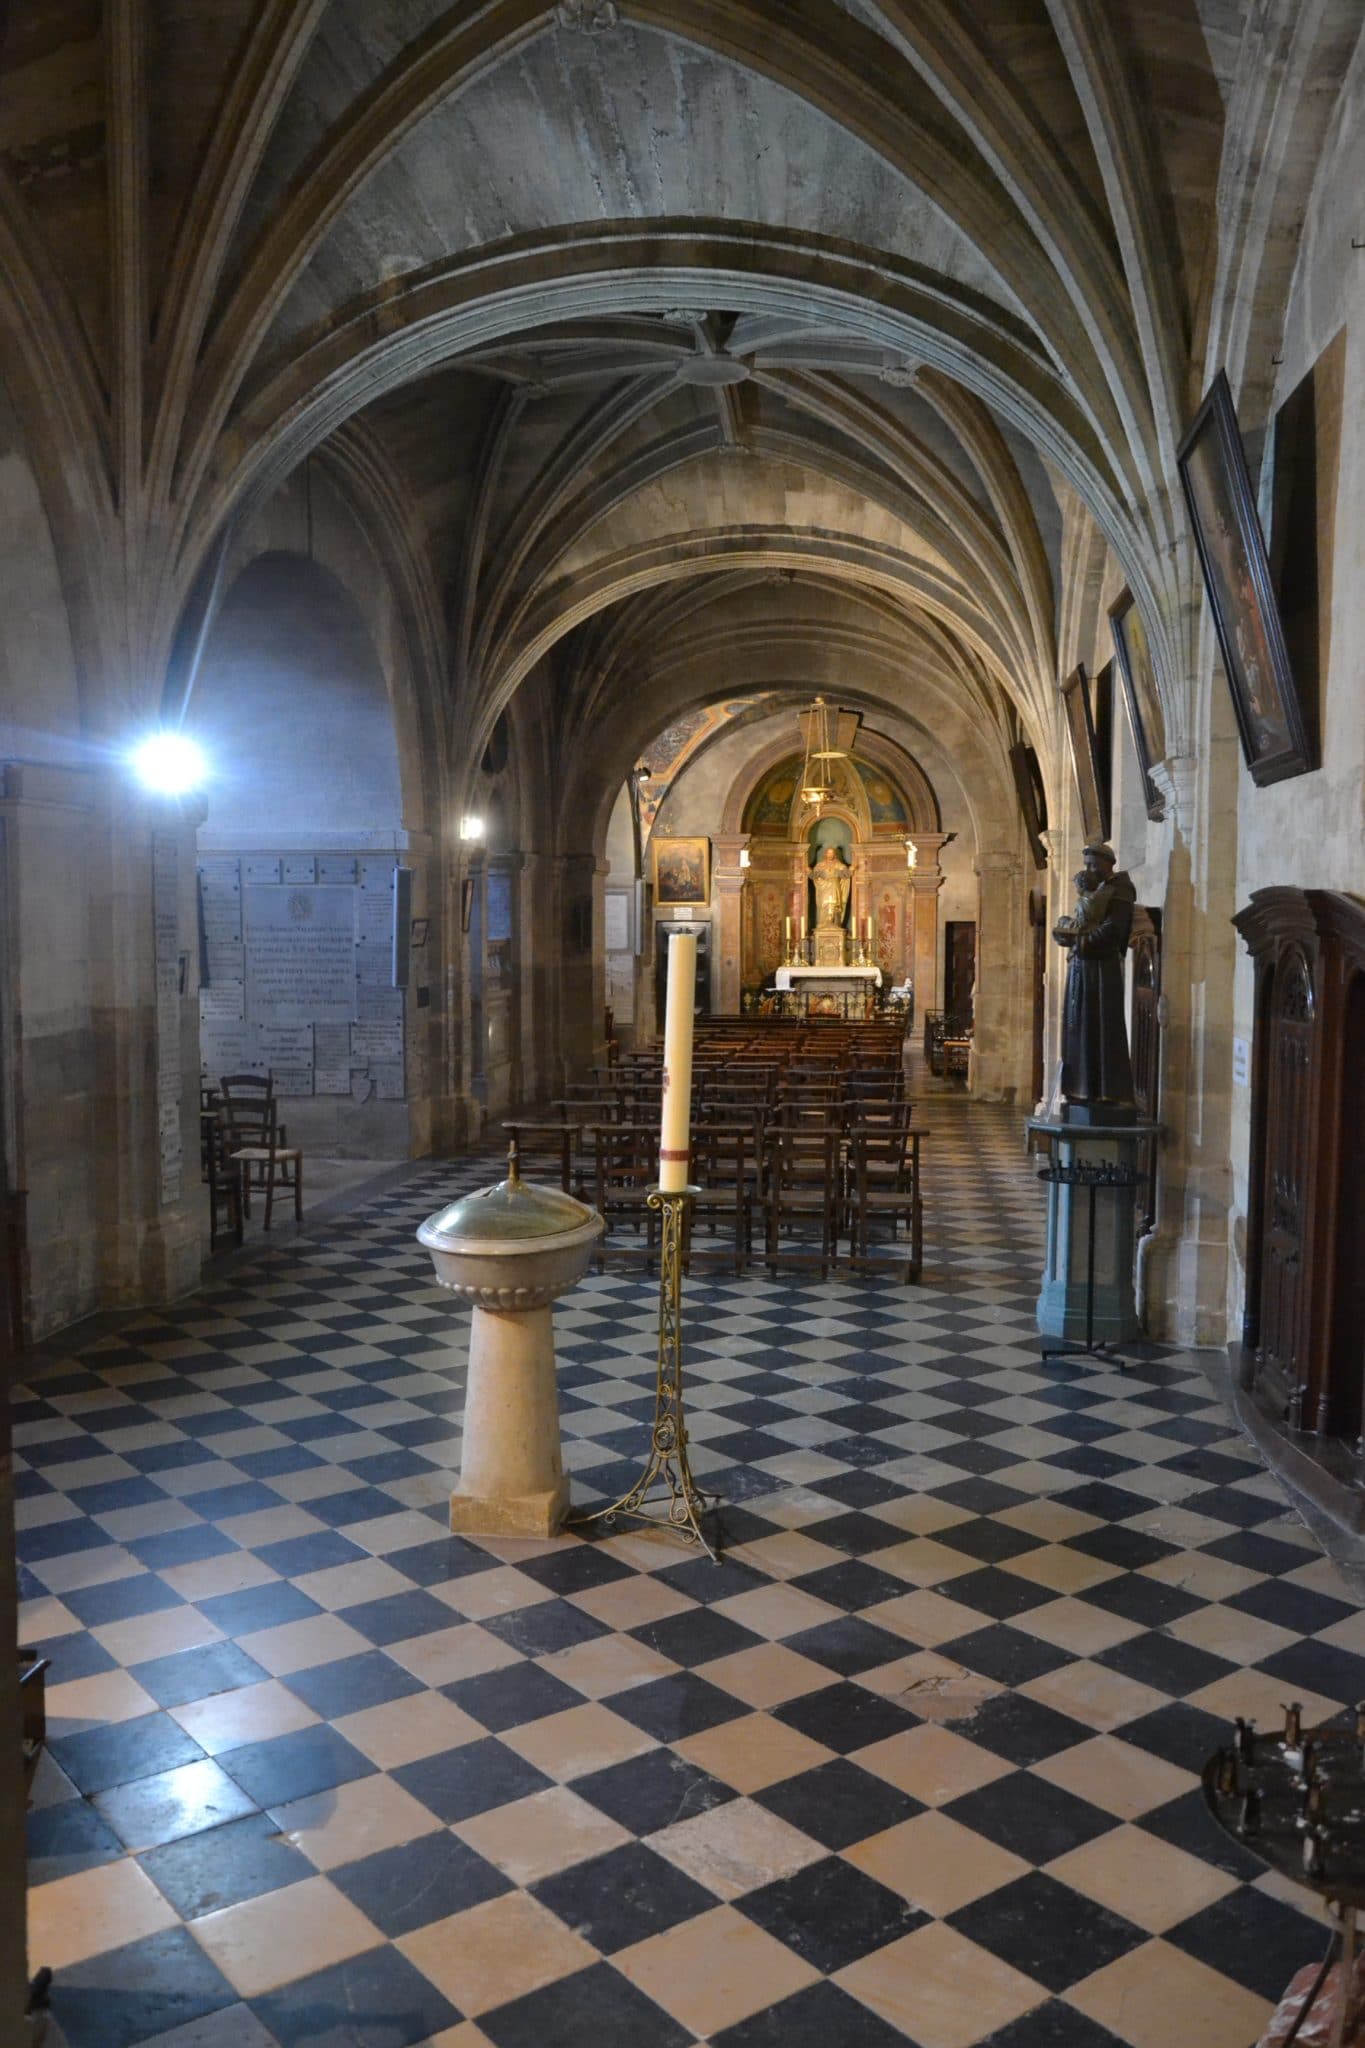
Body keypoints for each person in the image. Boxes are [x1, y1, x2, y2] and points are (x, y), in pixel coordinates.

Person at [1054, 840, 1135, 1112]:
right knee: (1077, 1027)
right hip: (1081, 968)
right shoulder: (1097, 891)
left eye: (1093, 864)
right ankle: (1080, 1088)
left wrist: (1077, 940)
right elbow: (1084, 922)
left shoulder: (1120, 889)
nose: (1089, 869)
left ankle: (1103, 1091)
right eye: (1086, 864)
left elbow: (1112, 933)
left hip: (1101, 972)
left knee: (1099, 1027)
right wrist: (1067, 932)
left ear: (1108, 863)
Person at [811, 844, 851, 928]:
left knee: (835, 904)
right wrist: (809, 872)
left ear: (835, 854)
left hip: (834, 886)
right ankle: (823, 924)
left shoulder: (839, 865)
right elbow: (814, 875)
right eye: (828, 853)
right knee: (824, 904)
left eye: (832, 853)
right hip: (824, 888)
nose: (830, 855)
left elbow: (846, 874)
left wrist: (850, 870)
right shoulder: (820, 865)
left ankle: (835, 924)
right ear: (825, 854)